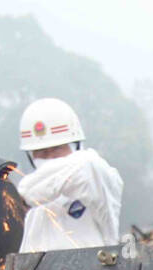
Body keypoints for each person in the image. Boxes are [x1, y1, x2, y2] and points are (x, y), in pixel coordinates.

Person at [16, 97, 123, 251]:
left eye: (57, 148)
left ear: (76, 145)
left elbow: (87, 165)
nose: (50, 158)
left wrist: (23, 196)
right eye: (41, 152)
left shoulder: (98, 177)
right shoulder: (34, 210)